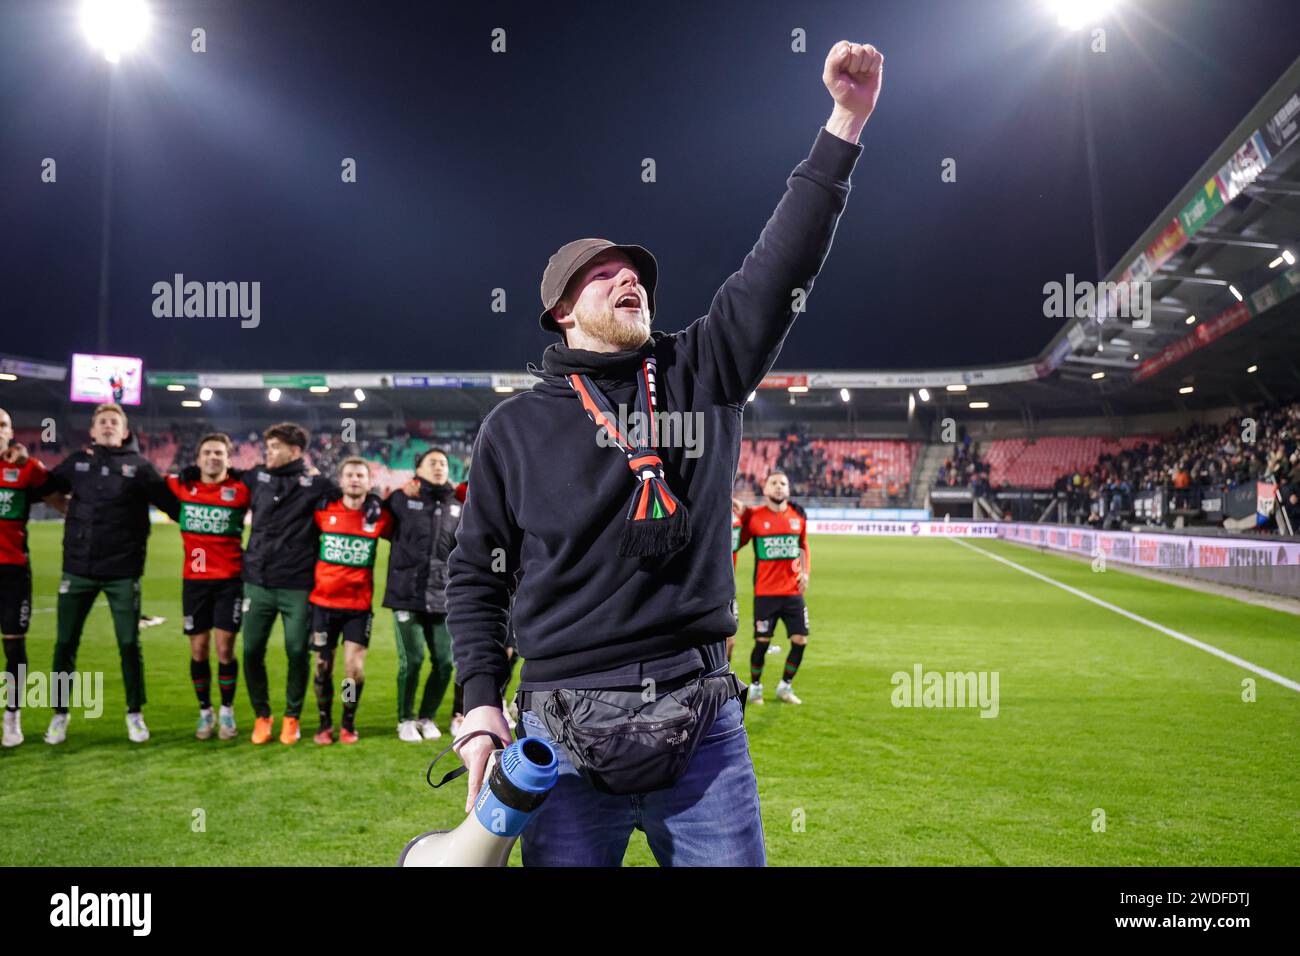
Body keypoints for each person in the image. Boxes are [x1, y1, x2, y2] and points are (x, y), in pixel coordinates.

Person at [447, 39, 879, 866]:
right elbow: (476, 577)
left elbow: (776, 266)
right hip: (559, 733)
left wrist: (844, 124)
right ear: (561, 314)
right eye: (601, 275)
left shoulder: (698, 371)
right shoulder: (513, 428)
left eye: (633, 271)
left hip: (702, 724)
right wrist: (478, 705)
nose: (626, 278)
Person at [40, 403, 181, 744]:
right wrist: (63, 507)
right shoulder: (78, 462)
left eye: (113, 422)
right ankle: (59, 715)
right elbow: (43, 487)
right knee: (64, 644)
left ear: (124, 430)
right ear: (92, 430)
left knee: (129, 643)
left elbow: (174, 508)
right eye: (101, 422)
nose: (106, 426)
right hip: (77, 568)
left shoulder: (141, 467)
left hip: (122, 571)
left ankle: (135, 713)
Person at [238, 423, 337, 745]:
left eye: (275, 447)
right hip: (257, 581)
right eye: (267, 447)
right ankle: (262, 715)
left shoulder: (318, 484)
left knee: (297, 651)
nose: (268, 453)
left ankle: (292, 716)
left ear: (295, 451)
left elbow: (353, 498)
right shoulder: (257, 477)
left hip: (296, 584)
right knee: (251, 650)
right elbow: (220, 480)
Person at [167, 432, 250, 741]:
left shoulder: (241, 490)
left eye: (219, 453)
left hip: (229, 581)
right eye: (208, 453)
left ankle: (227, 709)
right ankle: (205, 712)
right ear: (198, 458)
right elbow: (146, 482)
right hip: (195, 581)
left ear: (228, 459)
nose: (213, 457)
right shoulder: (183, 486)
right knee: (199, 649)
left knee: (224, 649)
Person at [308, 457, 391, 744]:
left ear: (369, 482)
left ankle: (347, 722)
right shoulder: (324, 510)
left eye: (360, 475)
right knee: (322, 666)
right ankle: (323, 723)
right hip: (322, 603)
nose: (354, 479)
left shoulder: (379, 516)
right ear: (341, 480)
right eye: (349, 475)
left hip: (358, 608)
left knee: (352, 670)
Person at [383, 448, 462, 742]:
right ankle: (404, 719)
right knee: (413, 660)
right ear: (418, 470)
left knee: (445, 662)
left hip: (442, 595)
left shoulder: (458, 504)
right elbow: (378, 522)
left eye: (443, 462)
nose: (439, 467)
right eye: (433, 463)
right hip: (406, 594)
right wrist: (394, 494)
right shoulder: (402, 499)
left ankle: (425, 717)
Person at [0, 408, 65, 747]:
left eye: (2, 425)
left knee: (14, 647)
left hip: (12, 571)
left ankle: (12, 715)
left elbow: (61, 500)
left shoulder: (26, 468)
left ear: (11, 432)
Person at [738, 471, 811, 706]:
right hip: (766, 593)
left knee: (800, 640)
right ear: (765, 489)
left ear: (788, 490)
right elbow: (736, 542)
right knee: (762, 641)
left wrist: (805, 572)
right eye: (774, 483)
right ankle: (756, 688)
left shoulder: (797, 517)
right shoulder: (754, 517)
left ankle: (785, 686)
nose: (779, 487)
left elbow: (803, 546)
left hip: (792, 593)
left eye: (783, 483)